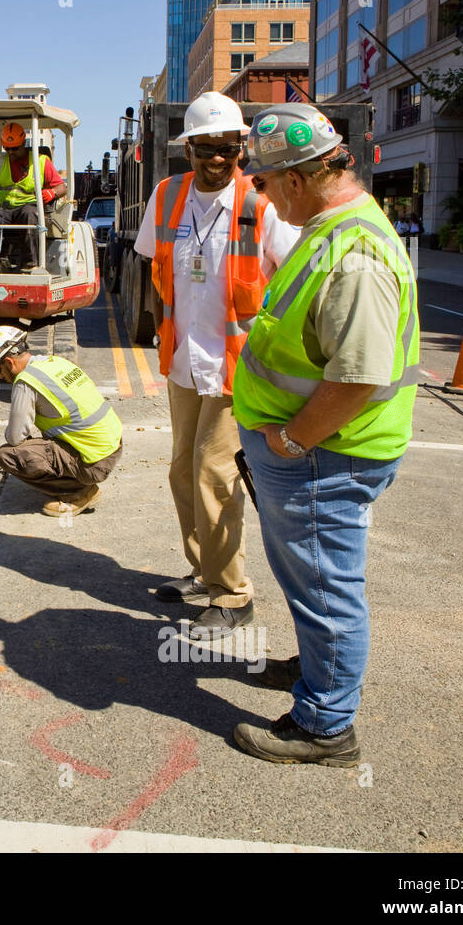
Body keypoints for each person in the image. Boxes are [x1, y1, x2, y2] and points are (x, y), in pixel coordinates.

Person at [229, 102, 419, 767]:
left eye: (266, 182)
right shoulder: (328, 228)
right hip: (313, 455)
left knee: (327, 587)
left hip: (325, 457)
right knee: (310, 578)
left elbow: (359, 376)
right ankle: (320, 673)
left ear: (299, 180)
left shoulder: (355, 252)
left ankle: (325, 725)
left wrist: (291, 442)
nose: (262, 195)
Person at [133, 90, 300, 640]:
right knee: (183, 471)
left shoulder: (260, 205)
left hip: (238, 366)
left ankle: (233, 593)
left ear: (241, 149)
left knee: (213, 473)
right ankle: (205, 573)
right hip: (185, 361)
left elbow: (298, 279)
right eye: (207, 148)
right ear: (189, 149)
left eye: (229, 148)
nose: (218, 158)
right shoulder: (168, 197)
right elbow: (154, 274)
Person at [0, 325, 122, 517]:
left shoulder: (25, 382)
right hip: (112, 446)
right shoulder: (56, 362)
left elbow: (15, 437)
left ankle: (79, 492)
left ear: (9, 362)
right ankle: (79, 481)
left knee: (8, 454)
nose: (2, 377)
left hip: (94, 463)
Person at [0, 123, 65, 270]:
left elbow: (62, 188)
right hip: (4, 209)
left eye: (15, 148)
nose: (11, 152)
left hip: (30, 207)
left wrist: (51, 193)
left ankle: (31, 263)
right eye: (7, 148)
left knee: (29, 215)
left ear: (24, 144)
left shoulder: (40, 162)